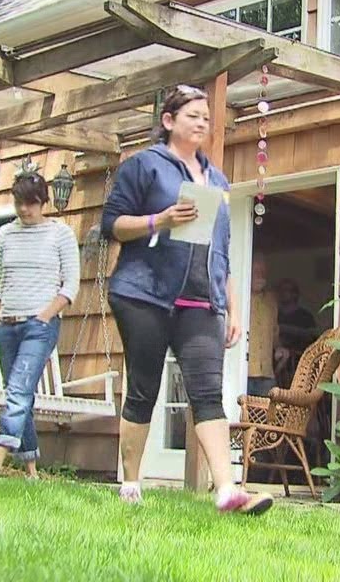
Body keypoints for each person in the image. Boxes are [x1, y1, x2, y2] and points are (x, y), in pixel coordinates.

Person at [100, 84, 273, 515]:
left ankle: (227, 490)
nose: (201, 122)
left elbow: (223, 247)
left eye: (206, 117)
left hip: (200, 299)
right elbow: (112, 225)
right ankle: (132, 482)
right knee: (144, 389)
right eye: (192, 115)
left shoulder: (217, 180)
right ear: (169, 121)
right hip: (144, 293)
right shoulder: (144, 166)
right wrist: (160, 219)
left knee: (207, 393)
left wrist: (231, 305)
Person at [0, 172, 80, 480]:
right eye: (20, 203)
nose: (24, 210)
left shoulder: (61, 235)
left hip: (39, 327)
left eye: (31, 204)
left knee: (18, 389)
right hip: (6, 325)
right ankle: (31, 471)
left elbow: (71, 285)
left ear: (44, 202)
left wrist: (45, 315)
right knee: (21, 394)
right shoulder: (4, 234)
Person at [273, 277, 319, 386]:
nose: (285, 293)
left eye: (288, 290)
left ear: (295, 294)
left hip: (299, 366)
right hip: (275, 362)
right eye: (282, 290)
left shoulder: (305, 317)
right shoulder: (274, 314)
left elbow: (314, 340)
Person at [246, 257, 279, 397]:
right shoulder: (241, 298)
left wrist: (280, 349)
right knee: (241, 417)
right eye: (256, 271)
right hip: (243, 373)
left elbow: (274, 333)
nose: (260, 276)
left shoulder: (271, 302)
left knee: (265, 417)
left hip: (266, 374)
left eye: (263, 272)